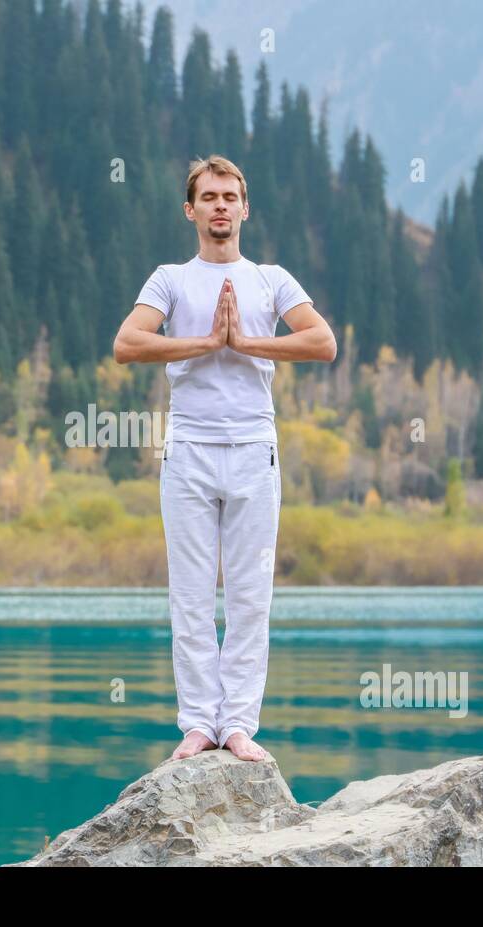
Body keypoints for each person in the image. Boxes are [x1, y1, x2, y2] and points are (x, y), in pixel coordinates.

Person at [113, 155, 337, 762]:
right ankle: (196, 726)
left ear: (244, 208)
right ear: (191, 210)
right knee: (188, 593)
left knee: (248, 595)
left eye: (229, 196)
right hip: (188, 452)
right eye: (208, 196)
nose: (219, 205)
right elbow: (127, 343)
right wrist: (206, 342)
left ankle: (237, 725)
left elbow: (323, 341)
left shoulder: (271, 279)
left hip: (253, 453)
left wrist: (246, 343)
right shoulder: (169, 279)